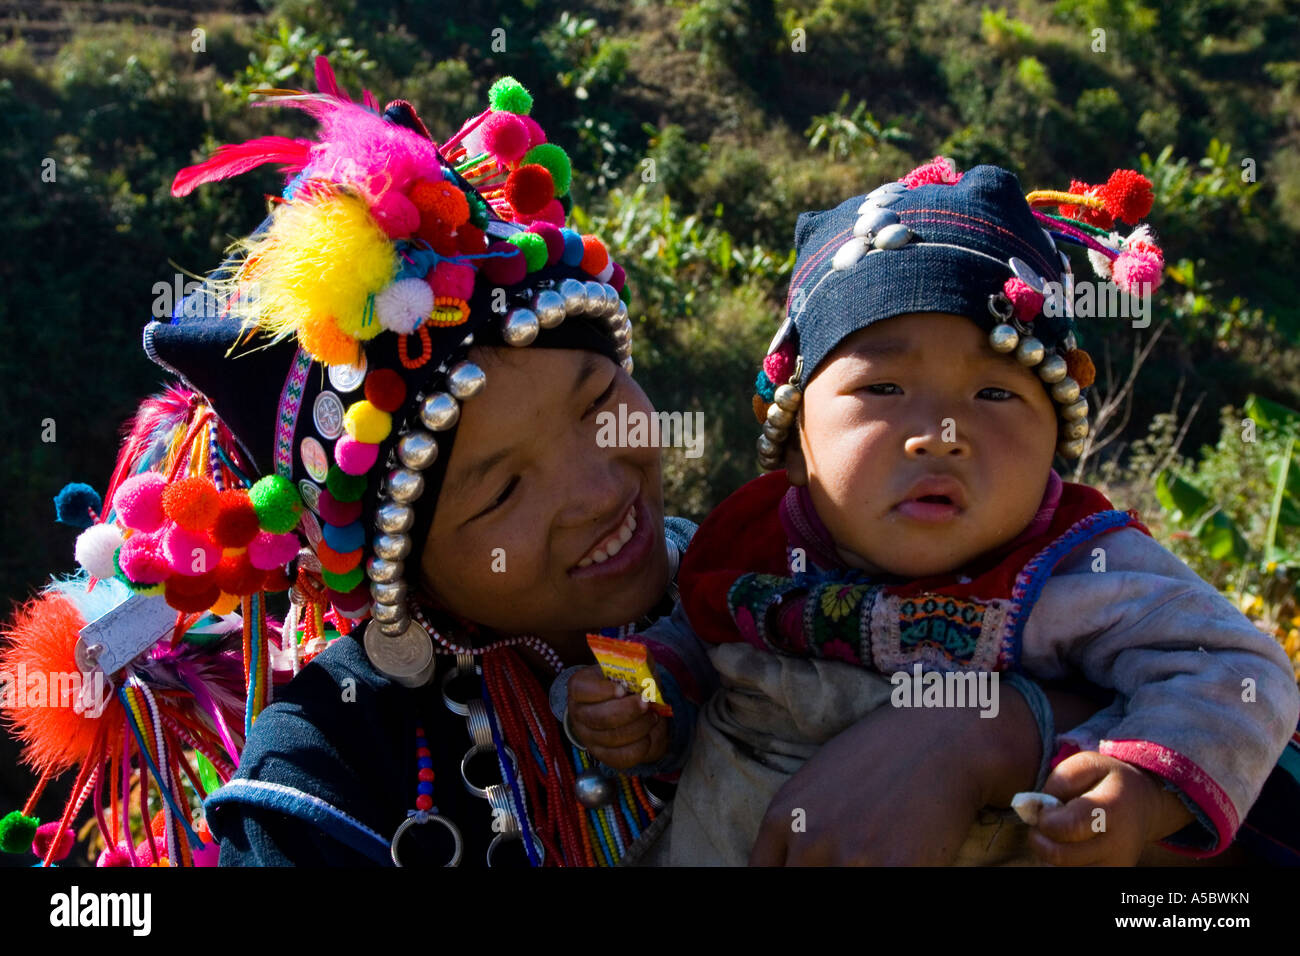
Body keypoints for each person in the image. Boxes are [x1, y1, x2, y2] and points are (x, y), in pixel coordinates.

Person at [0, 66, 1100, 868]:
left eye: (597, 405)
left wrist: (978, 731)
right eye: (500, 487)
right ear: (398, 566)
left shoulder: (758, 579)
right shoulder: (333, 770)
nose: (595, 490)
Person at [569, 158, 1300, 866]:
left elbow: (1238, 674)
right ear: (791, 443)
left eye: (995, 395)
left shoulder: (1077, 564)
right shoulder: (751, 539)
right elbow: (695, 637)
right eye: (883, 390)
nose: (940, 436)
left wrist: (1139, 789)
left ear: (1056, 443)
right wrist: (641, 696)